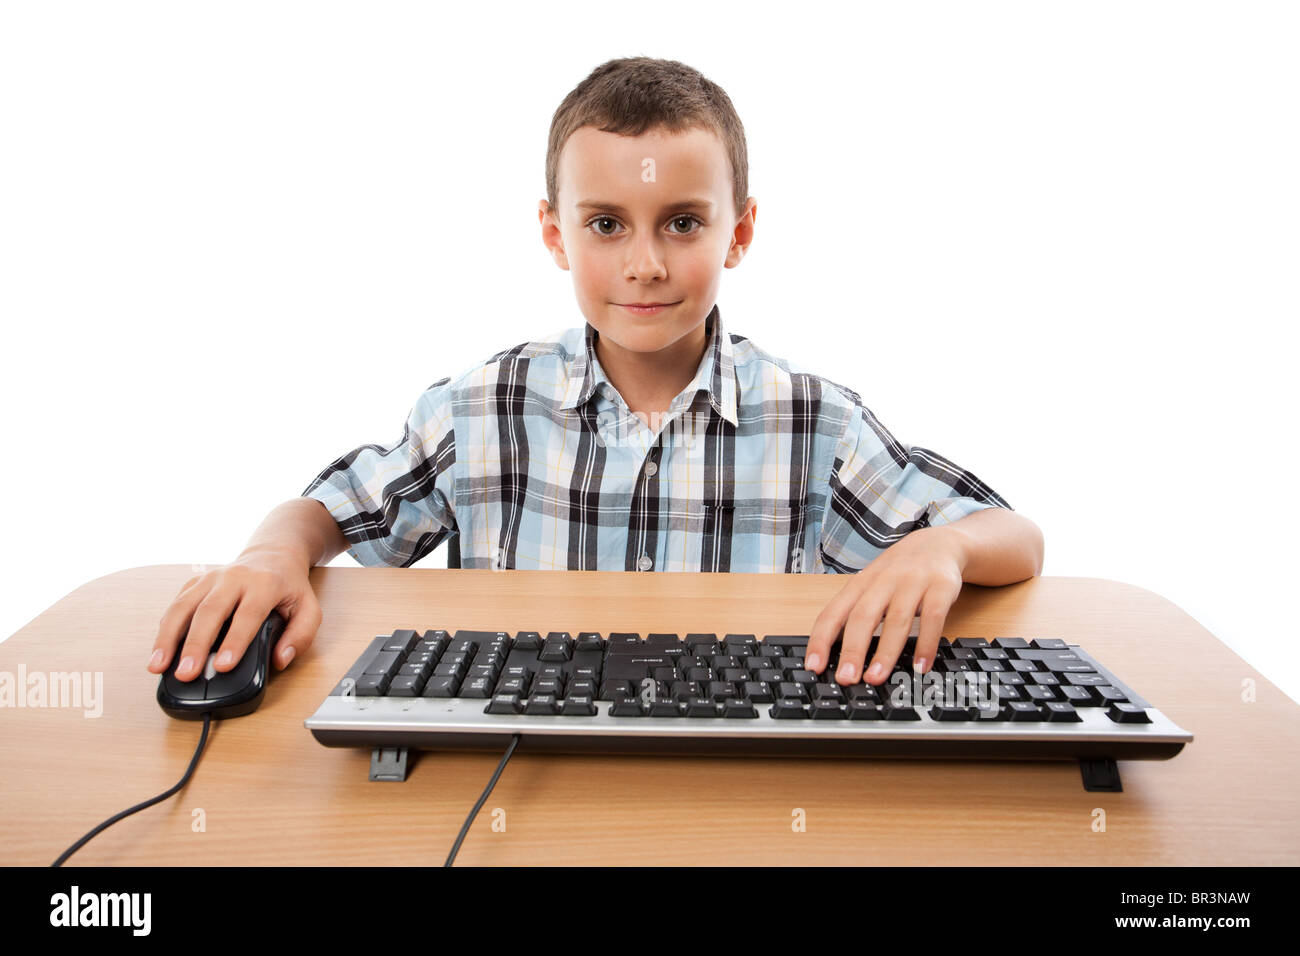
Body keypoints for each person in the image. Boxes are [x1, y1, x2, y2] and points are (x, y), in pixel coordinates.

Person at [148, 56, 1043, 692]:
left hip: (730, 780)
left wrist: (943, 545)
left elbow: (1015, 537)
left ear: (740, 232)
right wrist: (273, 553)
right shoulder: (482, 409)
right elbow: (334, 511)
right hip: (511, 769)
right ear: (554, 233)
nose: (645, 264)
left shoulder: (815, 422)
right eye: (607, 224)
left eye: (683, 222)